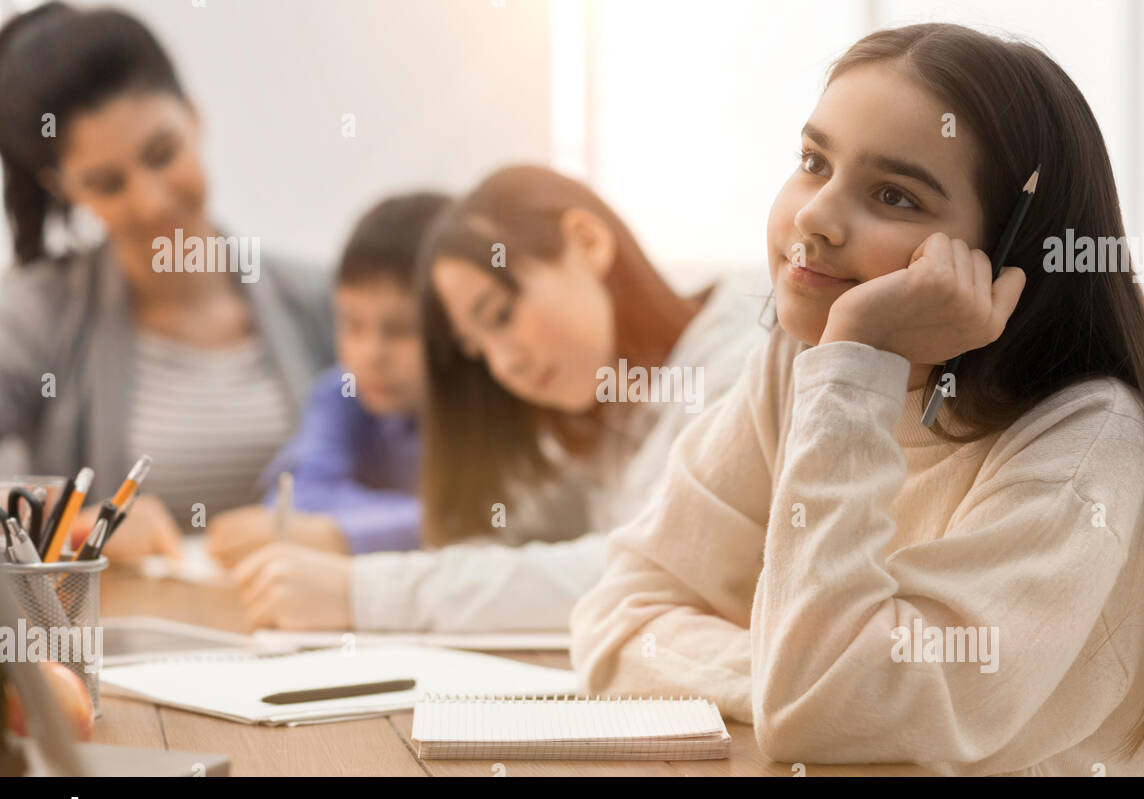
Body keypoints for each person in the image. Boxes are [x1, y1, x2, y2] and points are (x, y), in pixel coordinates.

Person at [568, 23, 1144, 775]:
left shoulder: (1083, 442)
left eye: (895, 194)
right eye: (813, 161)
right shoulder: (803, 368)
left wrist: (857, 362)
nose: (816, 215)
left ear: (1005, 252)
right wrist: (778, 674)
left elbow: (828, 703)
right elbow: (617, 620)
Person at [230, 165, 769, 631]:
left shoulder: (743, 362)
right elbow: (505, 532)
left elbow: (642, 574)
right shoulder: (605, 417)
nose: (503, 363)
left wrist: (364, 592)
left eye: (501, 316)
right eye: (478, 347)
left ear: (587, 243)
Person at [0, 3, 333, 562]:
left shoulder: (322, 303)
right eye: (106, 184)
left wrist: (335, 532)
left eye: (162, 153)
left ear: (196, 118)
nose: (150, 202)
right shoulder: (34, 317)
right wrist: (74, 523)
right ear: (63, 188)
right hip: (129, 642)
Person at [207, 193, 450, 564]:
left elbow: (481, 522)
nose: (371, 354)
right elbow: (298, 495)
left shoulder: (488, 413)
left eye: (402, 330)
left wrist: (336, 534)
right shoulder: (340, 393)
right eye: (352, 324)